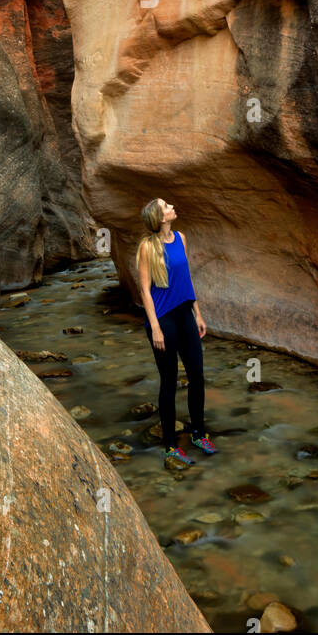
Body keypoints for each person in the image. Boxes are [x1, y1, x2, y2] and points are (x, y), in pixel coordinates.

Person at [135, 197, 217, 467]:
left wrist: (198, 312)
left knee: (197, 374)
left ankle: (198, 434)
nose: (172, 207)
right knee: (169, 381)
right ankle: (170, 445)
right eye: (166, 206)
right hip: (163, 321)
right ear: (160, 218)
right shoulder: (147, 248)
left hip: (185, 315)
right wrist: (155, 327)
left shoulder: (181, 237)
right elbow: (145, 290)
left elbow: (186, 278)